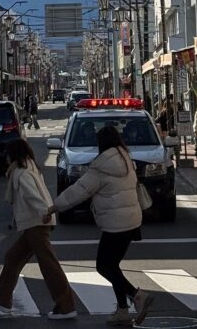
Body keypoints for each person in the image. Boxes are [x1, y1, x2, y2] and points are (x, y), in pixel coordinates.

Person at [46, 126, 154, 327]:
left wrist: (54, 207)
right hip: (132, 221)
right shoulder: (126, 160)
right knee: (113, 266)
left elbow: (78, 191)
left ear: (101, 144)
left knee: (104, 266)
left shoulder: (100, 167)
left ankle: (136, 295)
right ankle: (122, 310)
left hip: (115, 224)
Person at [0, 139, 76, 320]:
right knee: (13, 257)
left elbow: (32, 196)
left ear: (13, 154)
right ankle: (2, 301)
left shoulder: (20, 173)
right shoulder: (30, 167)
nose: (6, 157)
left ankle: (66, 306)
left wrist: (44, 212)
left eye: (8, 154)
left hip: (37, 222)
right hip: (34, 222)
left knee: (48, 264)